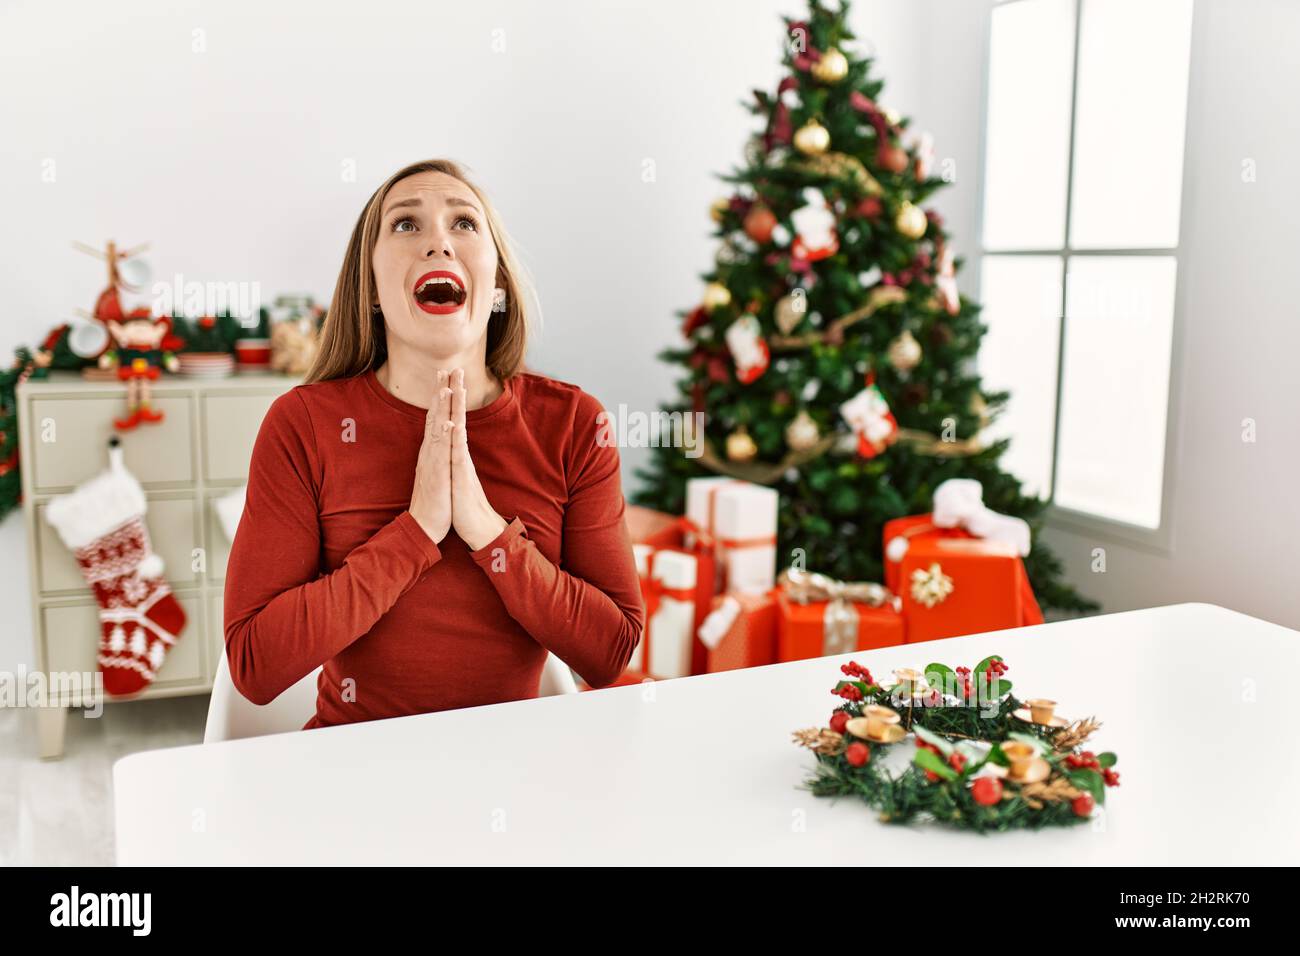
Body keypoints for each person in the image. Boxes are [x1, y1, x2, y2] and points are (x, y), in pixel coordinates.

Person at [223, 158, 644, 729]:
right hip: (351, 771)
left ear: (496, 283)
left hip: (514, 771)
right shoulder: (303, 425)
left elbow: (610, 653)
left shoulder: (572, 424)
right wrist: (416, 531)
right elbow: (255, 666)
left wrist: (486, 530)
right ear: (370, 288)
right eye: (406, 224)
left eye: (465, 224)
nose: (439, 243)